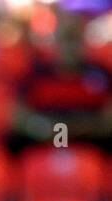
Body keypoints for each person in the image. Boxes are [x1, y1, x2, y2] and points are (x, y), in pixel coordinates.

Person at [11, 5, 112, 154]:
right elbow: (19, 117)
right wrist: (45, 128)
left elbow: (108, 118)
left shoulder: (100, 73)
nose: (71, 47)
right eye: (66, 39)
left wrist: (79, 128)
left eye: (75, 39)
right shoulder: (36, 75)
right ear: (56, 41)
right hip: (45, 144)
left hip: (92, 146)